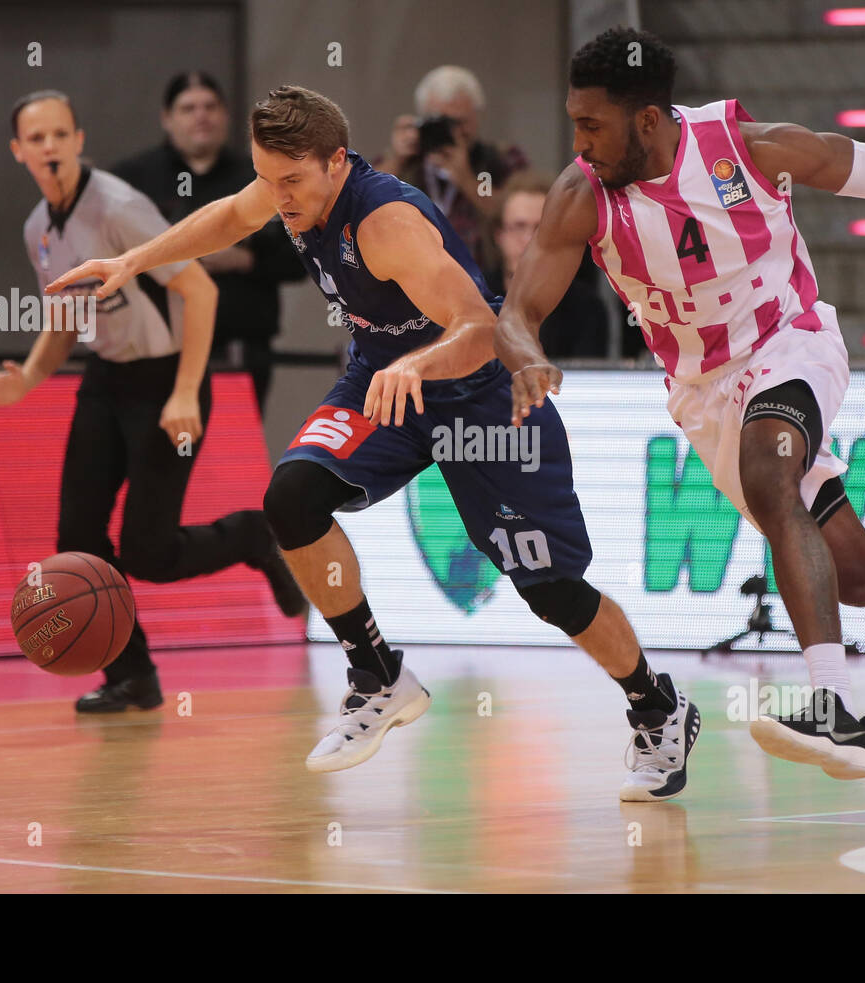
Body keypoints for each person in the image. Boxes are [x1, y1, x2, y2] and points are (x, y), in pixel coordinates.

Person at [46, 85, 700, 802]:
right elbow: (230, 216)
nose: (279, 197)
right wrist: (133, 261)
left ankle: (658, 706)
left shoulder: (384, 221)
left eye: (291, 181)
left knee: (553, 593)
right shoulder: (285, 188)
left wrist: (418, 362)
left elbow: (480, 326)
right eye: (269, 179)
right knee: (291, 497)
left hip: (478, 394)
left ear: (335, 162)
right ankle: (377, 672)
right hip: (382, 381)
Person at [495, 27, 865, 779]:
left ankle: (835, 709)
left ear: (647, 119)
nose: (578, 141)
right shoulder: (582, 196)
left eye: (591, 124)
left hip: (791, 341)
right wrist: (528, 357)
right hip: (704, 393)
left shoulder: (745, 146)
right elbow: (516, 312)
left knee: (771, 470)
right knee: (862, 576)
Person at [0, 90, 305, 714]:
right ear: (19, 152)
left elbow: (200, 290)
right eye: (36, 138)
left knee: (146, 554)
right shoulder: (37, 230)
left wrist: (186, 392)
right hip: (107, 381)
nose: (49, 146)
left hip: (167, 381)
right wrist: (27, 375)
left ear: (79, 141)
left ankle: (254, 536)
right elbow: (66, 317)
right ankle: (133, 675)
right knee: (76, 538)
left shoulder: (119, 207)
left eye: (60, 134)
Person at [111, 71, 306, 417]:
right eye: (188, 108)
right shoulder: (132, 179)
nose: (201, 116)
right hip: (157, 348)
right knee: (159, 456)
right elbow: (111, 254)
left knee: (231, 456)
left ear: (227, 116)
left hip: (241, 346)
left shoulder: (262, 176)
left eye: (210, 107)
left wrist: (243, 262)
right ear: (167, 119)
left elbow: (300, 259)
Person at [374, 66, 528, 267]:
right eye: (441, 122)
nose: (451, 131)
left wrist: (465, 177)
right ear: (422, 120)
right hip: (412, 281)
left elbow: (517, 220)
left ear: (477, 116)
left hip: (484, 281)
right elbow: (362, 203)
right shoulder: (403, 162)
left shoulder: (501, 159)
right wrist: (396, 159)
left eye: (460, 122)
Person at [487, 170, 608, 358]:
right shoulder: (476, 297)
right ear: (499, 235)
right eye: (519, 226)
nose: (528, 239)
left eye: (540, 228)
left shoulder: (586, 307)